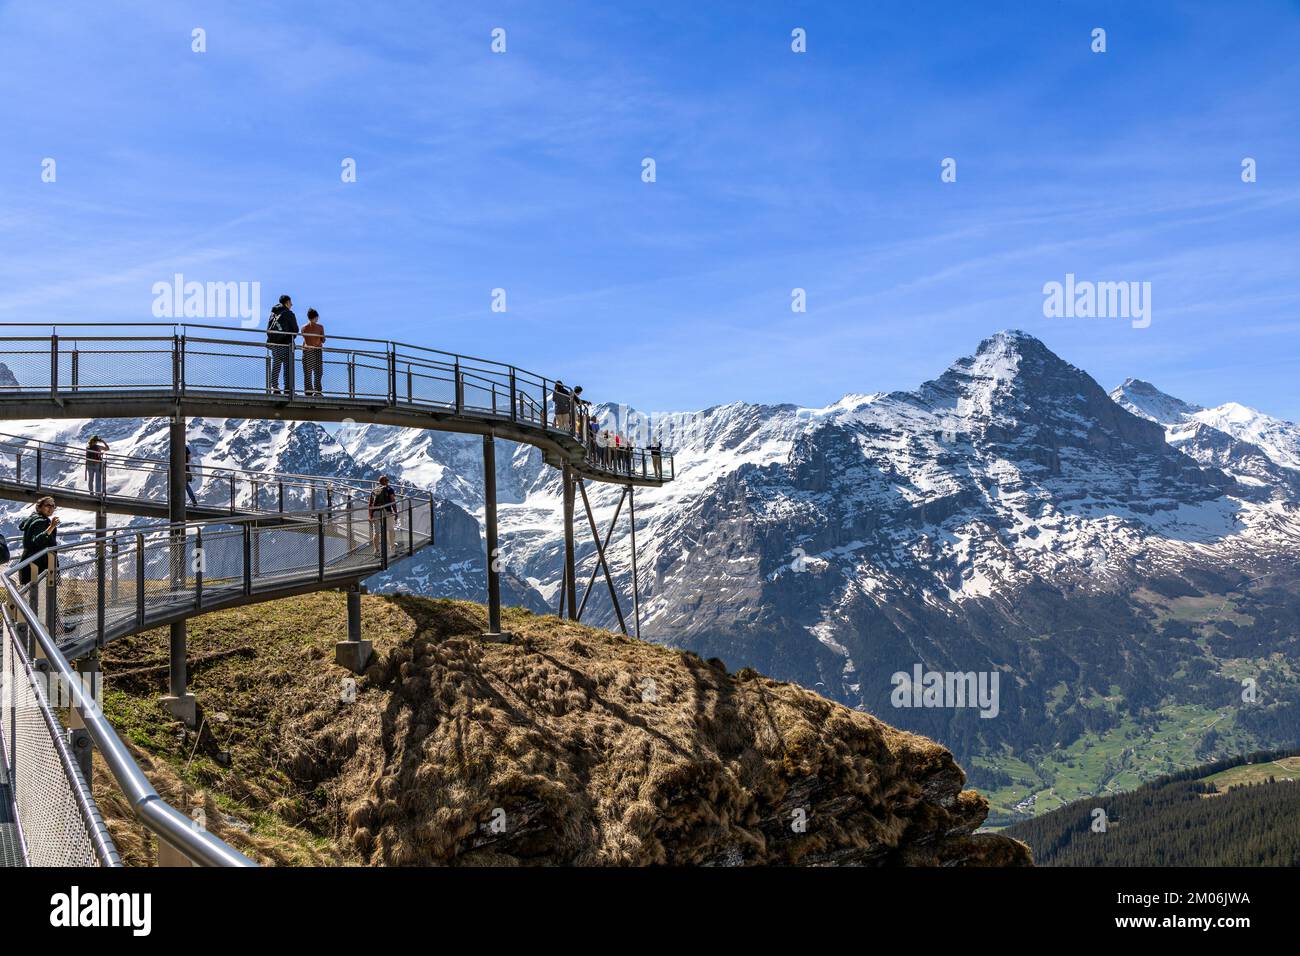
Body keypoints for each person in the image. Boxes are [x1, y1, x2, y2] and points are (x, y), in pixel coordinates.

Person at [18, 497, 59, 598]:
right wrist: (51, 527)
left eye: (53, 506)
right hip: (40, 566)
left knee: (31, 599)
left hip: (30, 563)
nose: (51, 508)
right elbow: (37, 541)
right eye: (47, 505)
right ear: (39, 507)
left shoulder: (33, 519)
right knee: (43, 601)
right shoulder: (41, 521)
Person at [267, 294, 299, 396]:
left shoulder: (273, 314)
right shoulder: (289, 313)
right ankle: (288, 390)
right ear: (287, 303)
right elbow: (295, 330)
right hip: (286, 344)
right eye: (290, 303)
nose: (291, 305)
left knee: (276, 365)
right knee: (287, 368)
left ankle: (274, 387)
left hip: (275, 344)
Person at [368, 476, 398, 558]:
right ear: (386, 482)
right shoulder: (389, 489)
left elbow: (370, 504)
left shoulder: (374, 490)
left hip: (376, 512)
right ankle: (392, 550)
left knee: (377, 532)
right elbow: (393, 501)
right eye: (387, 480)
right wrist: (395, 512)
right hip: (386, 512)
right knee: (391, 530)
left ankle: (376, 551)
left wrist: (370, 515)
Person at [301, 308, 325, 396]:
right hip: (317, 351)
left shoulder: (303, 328)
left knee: (307, 372)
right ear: (316, 317)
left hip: (306, 351)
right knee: (318, 372)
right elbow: (323, 340)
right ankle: (317, 391)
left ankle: (308, 391)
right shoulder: (320, 327)